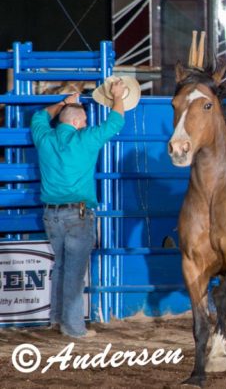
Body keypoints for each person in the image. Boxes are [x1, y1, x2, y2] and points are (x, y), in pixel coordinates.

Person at [31, 79, 127, 338]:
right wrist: (118, 95)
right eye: (83, 120)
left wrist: (64, 102)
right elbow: (116, 122)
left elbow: (39, 116)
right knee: (74, 271)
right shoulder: (85, 139)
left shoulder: (44, 138)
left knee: (61, 266)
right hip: (78, 215)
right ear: (75, 123)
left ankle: (57, 319)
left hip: (51, 214)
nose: (86, 123)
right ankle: (73, 327)